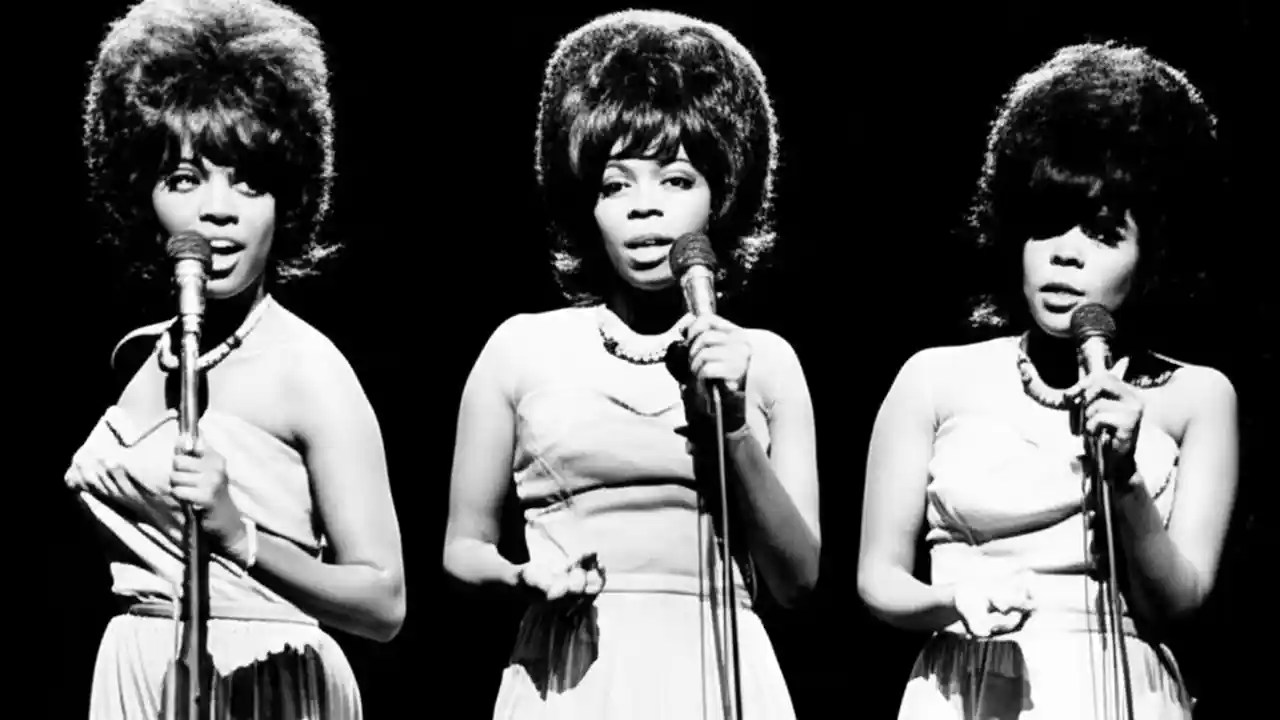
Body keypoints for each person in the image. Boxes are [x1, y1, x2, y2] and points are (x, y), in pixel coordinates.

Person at [442, 9, 820, 719]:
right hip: (571, 671)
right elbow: (463, 549)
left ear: (721, 196)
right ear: (587, 204)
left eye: (676, 181)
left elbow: (797, 581)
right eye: (617, 185)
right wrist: (526, 578)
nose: (646, 208)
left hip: (720, 672)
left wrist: (733, 426)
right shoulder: (521, 348)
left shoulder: (766, 361)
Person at [856, 41, 1237, 719]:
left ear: (1154, 254)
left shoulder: (1197, 397)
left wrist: (1122, 478)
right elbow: (878, 579)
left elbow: (1180, 602)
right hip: (966, 684)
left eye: (1099, 231)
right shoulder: (933, 379)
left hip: (1119, 688)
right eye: (1045, 223)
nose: (1064, 251)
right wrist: (954, 601)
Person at [67, 1, 406, 717]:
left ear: (288, 199)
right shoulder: (134, 355)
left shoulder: (307, 369)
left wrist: (244, 538)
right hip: (138, 676)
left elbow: (383, 601)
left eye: (248, 181)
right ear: (142, 195)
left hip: (263, 683)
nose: (219, 210)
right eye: (186, 180)